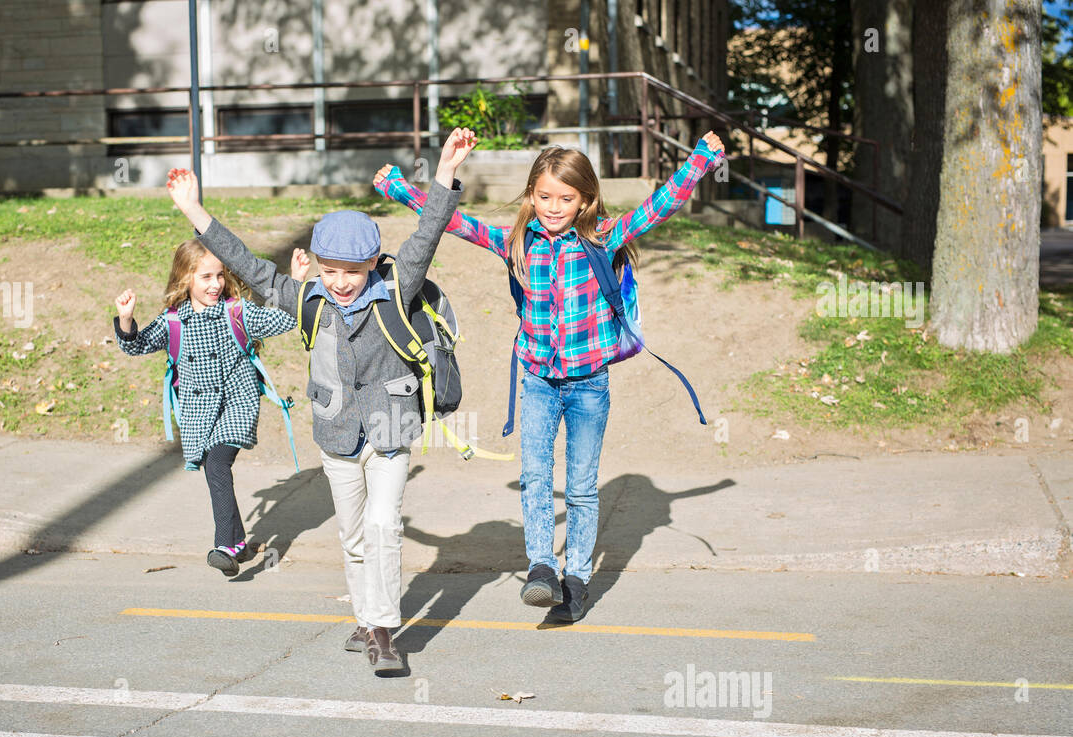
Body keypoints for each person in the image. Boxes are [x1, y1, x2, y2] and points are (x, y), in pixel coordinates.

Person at [374, 132, 725, 622]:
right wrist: (399, 188)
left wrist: (702, 159)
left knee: (580, 487)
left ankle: (576, 578)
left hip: (589, 385)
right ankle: (542, 568)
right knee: (536, 478)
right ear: (530, 195)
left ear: (586, 199)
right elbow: (456, 222)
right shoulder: (516, 243)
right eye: (544, 197)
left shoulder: (602, 236)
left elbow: (659, 205)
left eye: (566, 198)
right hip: (537, 380)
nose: (554, 207)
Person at [166, 127, 476, 673]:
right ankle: (365, 618)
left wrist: (446, 173)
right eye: (329, 272)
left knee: (383, 526)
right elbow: (248, 264)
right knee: (353, 536)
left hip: (391, 426)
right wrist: (195, 209)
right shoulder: (307, 294)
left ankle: (383, 632)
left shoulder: (397, 286)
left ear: (372, 263)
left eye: (350, 273)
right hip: (335, 432)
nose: (339, 283)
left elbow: (428, 232)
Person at [113, 241, 296, 577]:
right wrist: (126, 320)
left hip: (237, 402)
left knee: (216, 465)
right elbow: (136, 345)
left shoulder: (237, 312)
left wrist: (294, 283)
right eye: (206, 277)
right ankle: (238, 541)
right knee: (214, 467)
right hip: (198, 412)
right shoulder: (173, 322)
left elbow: (280, 321)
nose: (216, 284)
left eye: (220, 276)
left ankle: (224, 545)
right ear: (186, 279)